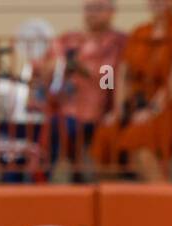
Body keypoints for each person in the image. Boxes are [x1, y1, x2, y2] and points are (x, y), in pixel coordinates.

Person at [91, 0, 172, 181]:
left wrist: (152, 110)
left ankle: (161, 197)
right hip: (137, 103)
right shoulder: (139, 32)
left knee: (140, 137)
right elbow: (121, 75)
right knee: (107, 132)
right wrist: (118, 109)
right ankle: (113, 199)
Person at [37, 0, 127, 177]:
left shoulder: (116, 42)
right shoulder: (68, 39)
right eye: (89, 8)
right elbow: (45, 69)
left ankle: (65, 178)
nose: (92, 13)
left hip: (95, 112)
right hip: (59, 108)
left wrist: (86, 71)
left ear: (111, 12)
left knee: (62, 131)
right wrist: (57, 66)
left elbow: (108, 80)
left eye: (98, 8)